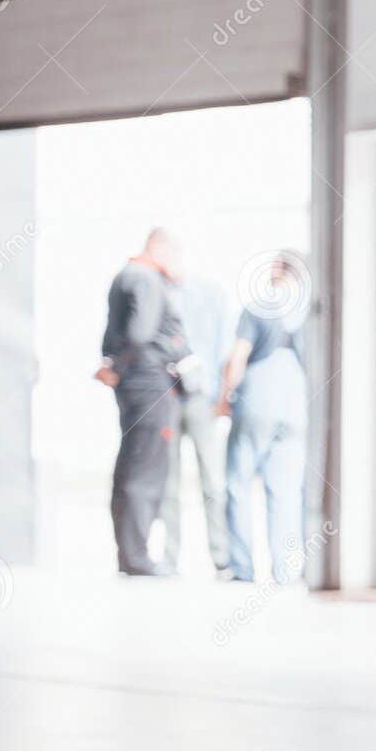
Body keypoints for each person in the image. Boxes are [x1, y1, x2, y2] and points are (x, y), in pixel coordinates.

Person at [96, 229, 188, 577]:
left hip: (134, 385)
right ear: (160, 249)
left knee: (131, 465)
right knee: (146, 471)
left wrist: (114, 366)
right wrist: (118, 366)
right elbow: (140, 332)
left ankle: (130, 555)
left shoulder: (125, 275)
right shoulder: (147, 278)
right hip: (150, 386)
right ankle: (137, 558)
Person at [217, 255, 308, 585]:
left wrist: (224, 398)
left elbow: (238, 356)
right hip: (296, 403)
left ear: (276, 272)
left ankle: (243, 568)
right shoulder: (308, 313)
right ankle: (285, 570)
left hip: (258, 398)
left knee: (238, 482)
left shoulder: (259, 307)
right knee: (285, 491)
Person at [161, 268, 233, 577]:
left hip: (201, 398)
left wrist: (220, 397)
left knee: (212, 481)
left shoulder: (211, 294)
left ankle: (221, 558)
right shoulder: (160, 293)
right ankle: (170, 558)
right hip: (169, 397)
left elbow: (224, 346)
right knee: (170, 481)